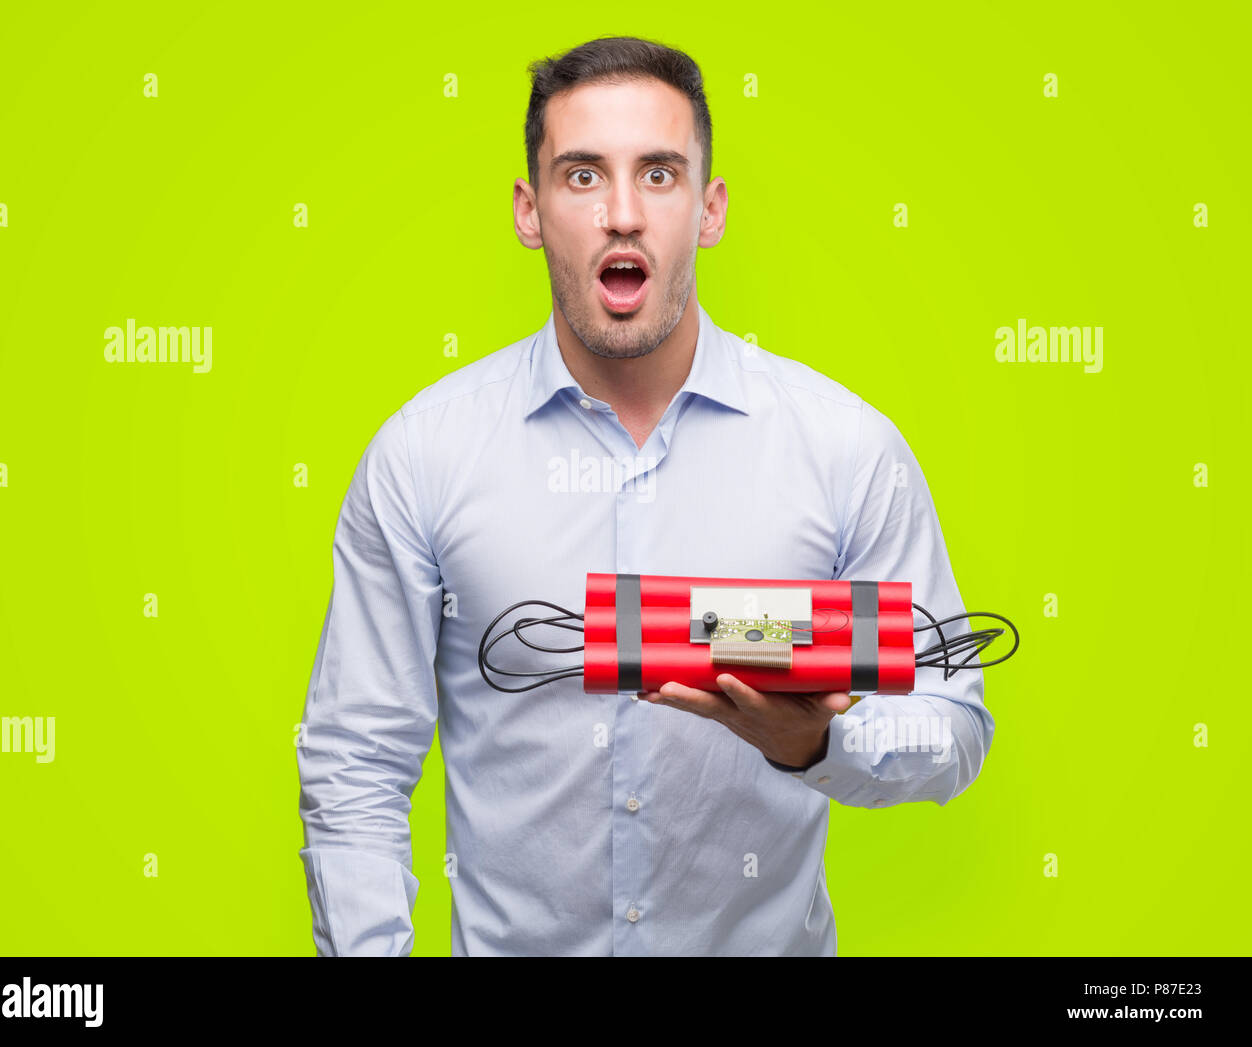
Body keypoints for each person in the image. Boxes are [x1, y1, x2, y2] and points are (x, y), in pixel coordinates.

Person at [296, 35, 993, 956]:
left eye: (658, 175)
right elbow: (356, 759)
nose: (622, 214)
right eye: (582, 176)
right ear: (530, 210)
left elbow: (954, 724)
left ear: (709, 210)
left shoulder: (845, 450)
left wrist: (821, 744)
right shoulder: (424, 456)